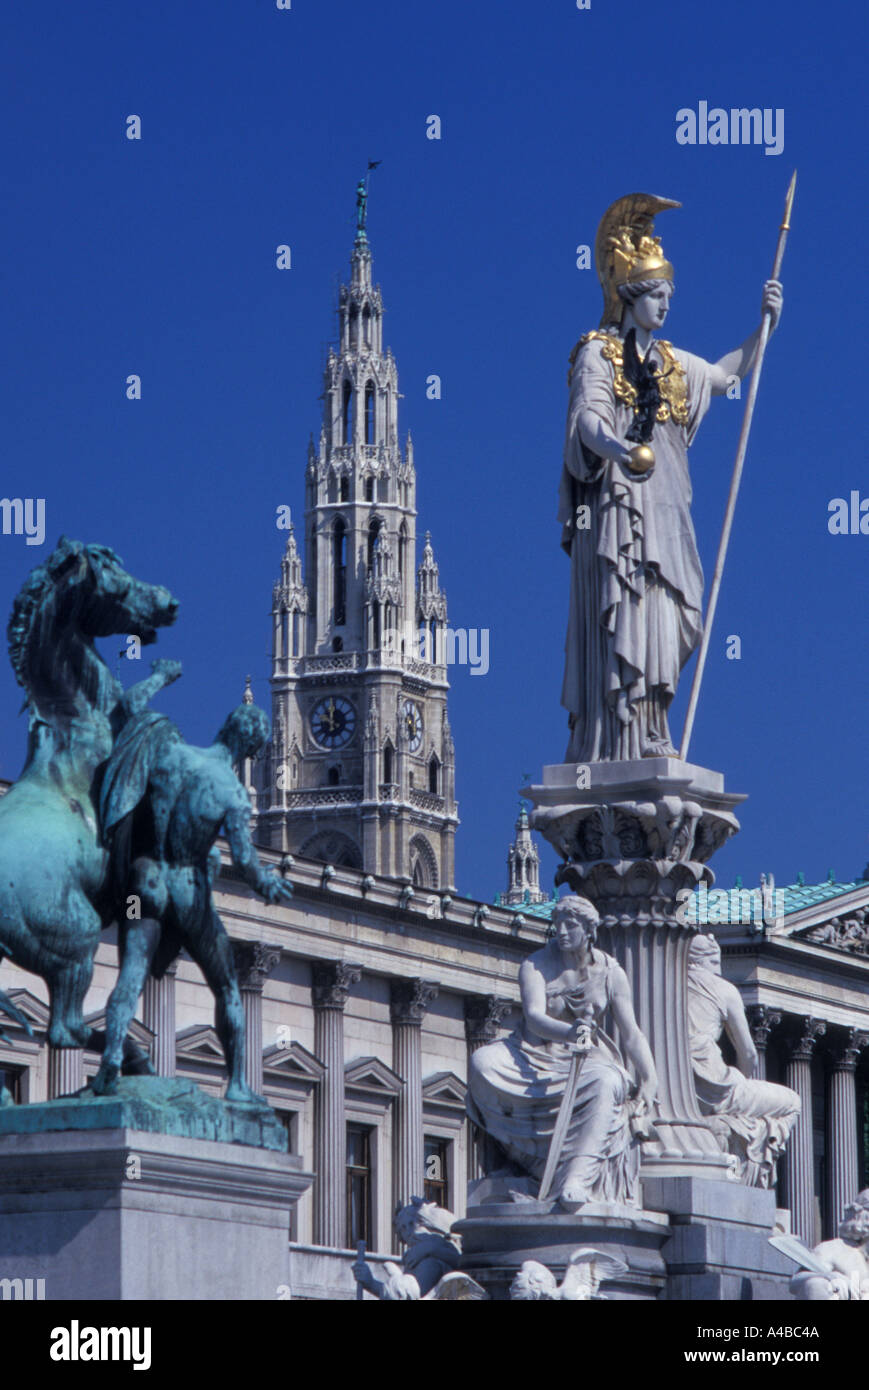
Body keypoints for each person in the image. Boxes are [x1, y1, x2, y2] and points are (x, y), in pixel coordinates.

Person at [559, 193, 783, 761]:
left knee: (675, 613)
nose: (665, 305)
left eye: (669, 296)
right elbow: (587, 419)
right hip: (618, 508)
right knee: (625, 607)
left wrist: (765, 327)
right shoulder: (598, 355)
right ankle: (622, 736)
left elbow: (728, 375)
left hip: (668, 508)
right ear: (630, 297)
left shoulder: (675, 365)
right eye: (657, 296)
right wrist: (621, 449)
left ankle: (655, 715)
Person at [91, 693, 292, 1101]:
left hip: (144, 884)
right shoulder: (233, 793)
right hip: (189, 893)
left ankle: (111, 1057)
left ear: (224, 728)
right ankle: (236, 1084)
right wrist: (267, 883)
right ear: (252, 749)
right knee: (227, 988)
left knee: (130, 976)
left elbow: (133, 789)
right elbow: (247, 863)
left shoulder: (169, 754)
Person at [467, 894, 657, 1209]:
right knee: (481, 1063)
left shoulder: (611, 974)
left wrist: (650, 1078)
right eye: (558, 925)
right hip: (529, 1052)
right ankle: (529, 1158)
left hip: (582, 1059)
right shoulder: (536, 964)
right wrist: (568, 1031)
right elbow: (534, 1017)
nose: (562, 932)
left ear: (589, 929)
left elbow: (632, 1033)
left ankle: (576, 1176)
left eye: (570, 925)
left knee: (607, 1082)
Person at [687, 934, 800, 1187]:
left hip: (679, 1084)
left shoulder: (667, 984)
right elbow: (748, 1053)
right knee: (792, 1102)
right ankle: (751, 1160)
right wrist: (741, 1081)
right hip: (715, 1084)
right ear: (711, 960)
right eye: (716, 963)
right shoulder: (723, 989)